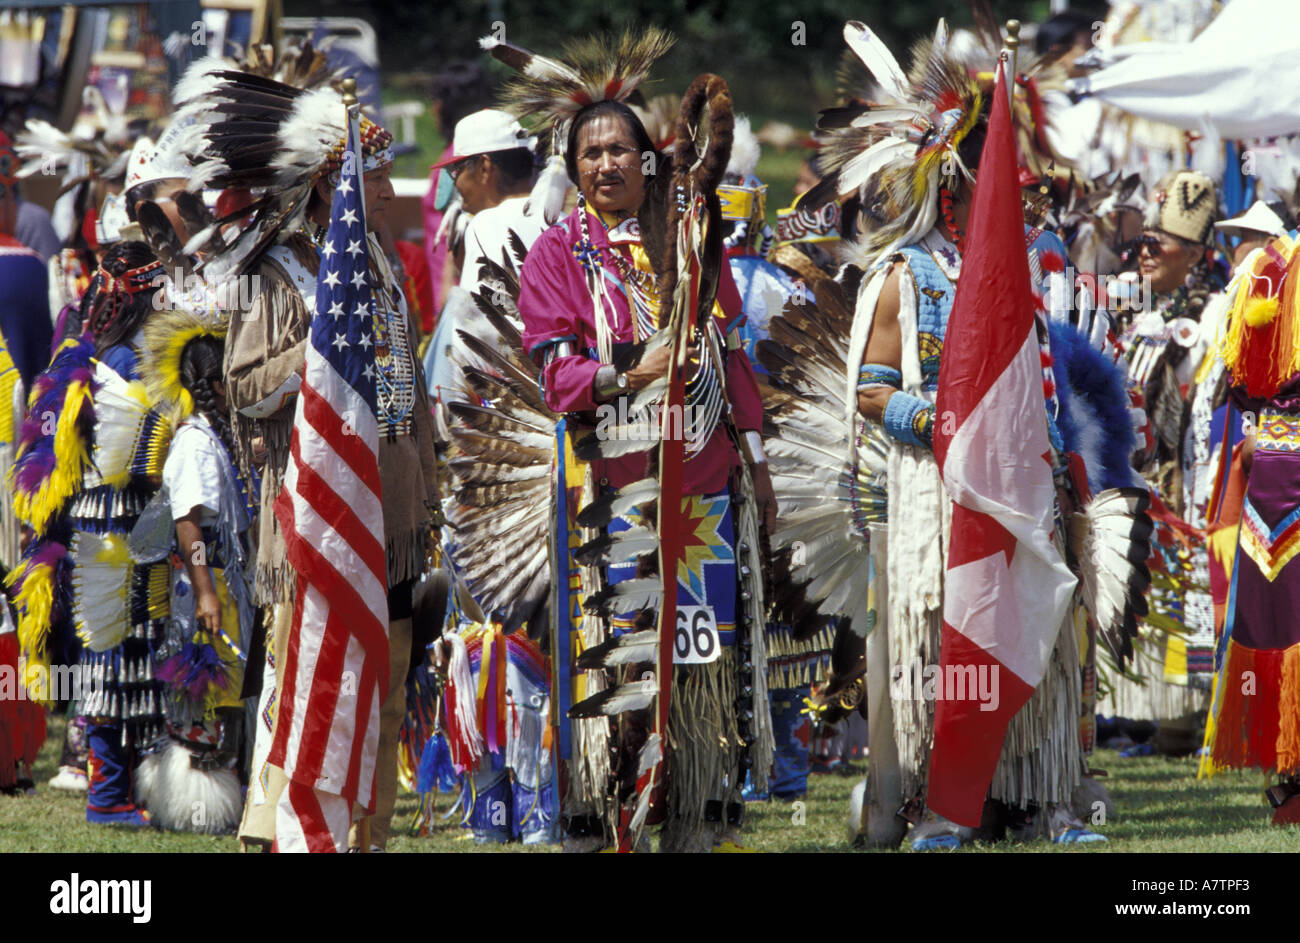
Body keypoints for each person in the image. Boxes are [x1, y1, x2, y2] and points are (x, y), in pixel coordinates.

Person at [482, 27, 776, 852]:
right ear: (571, 167)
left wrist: (756, 464)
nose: (606, 164)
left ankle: (691, 815)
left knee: (699, 661)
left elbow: (732, 357)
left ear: (649, 160)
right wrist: (627, 370)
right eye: (591, 153)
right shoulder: (557, 254)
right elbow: (557, 376)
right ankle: (608, 814)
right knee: (618, 660)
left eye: (620, 150)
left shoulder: (686, 239)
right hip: (607, 490)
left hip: (703, 488)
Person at [176, 65, 440, 851]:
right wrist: (320, 356)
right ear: (333, 185)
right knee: (309, 680)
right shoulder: (278, 272)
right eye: (375, 176)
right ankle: (283, 831)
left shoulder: (381, 263)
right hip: (313, 510)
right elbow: (245, 385)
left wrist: (427, 489)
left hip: (390, 511)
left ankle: (366, 834)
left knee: (385, 678)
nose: (388, 190)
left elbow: (407, 388)